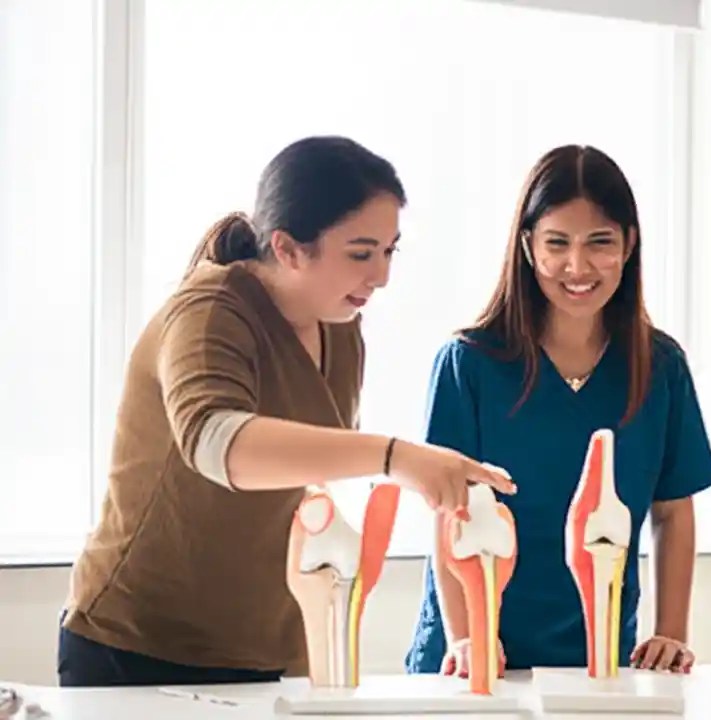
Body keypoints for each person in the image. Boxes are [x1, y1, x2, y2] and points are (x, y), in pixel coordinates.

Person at [57, 135, 515, 688]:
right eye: (360, 253)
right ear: (289, 247)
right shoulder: (208, 312)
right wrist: (395, 458)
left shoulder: (342, 328)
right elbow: (219, 445)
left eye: (390, 251)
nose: (382, 276)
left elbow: (310, 471)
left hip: (269, 647)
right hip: (139, 643)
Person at [404, 145, 711, 677]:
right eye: (557, 244)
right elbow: (446, 514)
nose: (578, 267)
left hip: (599, 661)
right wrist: (464, 639)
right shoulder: (469, 363)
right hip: (478, 660)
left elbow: (673, 510)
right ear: (528, 247)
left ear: (630, 245)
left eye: (600, 243)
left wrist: (671, 632)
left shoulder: (659, 365)